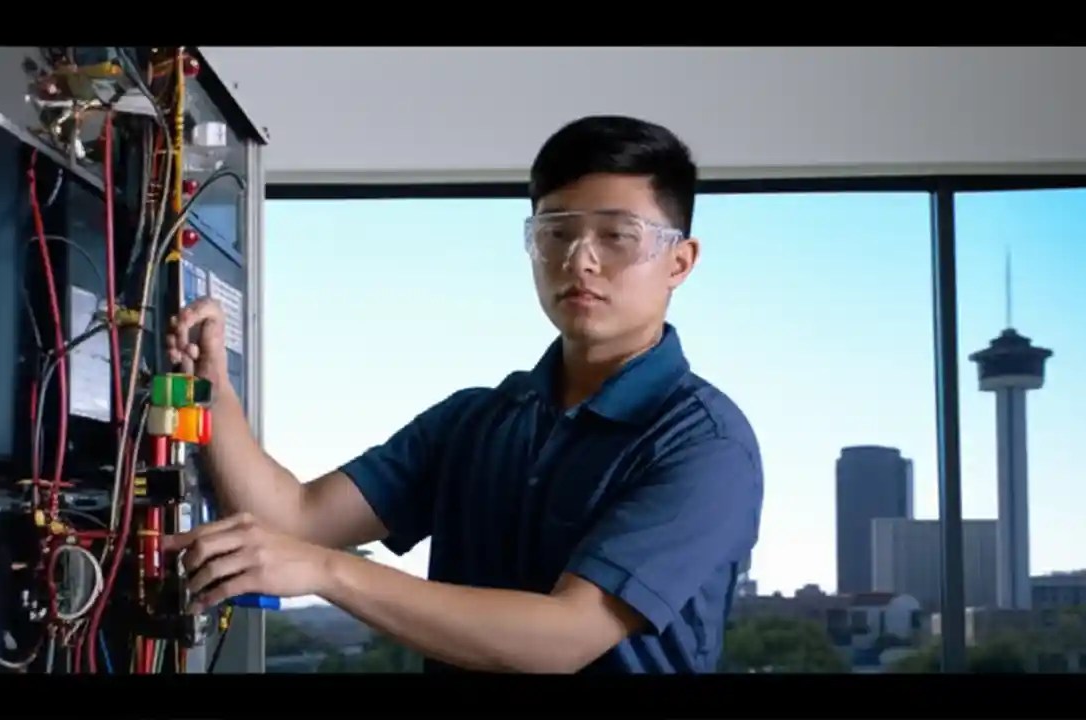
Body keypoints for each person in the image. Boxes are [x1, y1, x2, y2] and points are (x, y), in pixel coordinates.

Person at [163, 115, 764, 673]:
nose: (581, 261)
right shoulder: (478, 420)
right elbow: (294, 517)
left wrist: (327, 571)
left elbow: (567, 637)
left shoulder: (704, 445)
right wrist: (214, 392)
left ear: (679, 262)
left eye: (617, 236)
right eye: (556, 232)